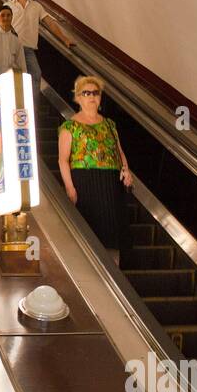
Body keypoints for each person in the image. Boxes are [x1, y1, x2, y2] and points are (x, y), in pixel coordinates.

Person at [58, 76, 133, 263]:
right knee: (91, 233)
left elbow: (119, 151)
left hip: (111, 184)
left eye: (95, 93)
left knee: (113, 234)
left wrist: (126, 170)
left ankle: (114, 276)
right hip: (85, 183)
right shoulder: (70, 126)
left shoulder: (109, 124)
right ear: (78, 98)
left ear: (100, 97)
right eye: (86, 93)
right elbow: (63, 160)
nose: (91, 96)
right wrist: (70, 187)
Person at [6, 0, 74, 99]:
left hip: (28, 49)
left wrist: (64, 39)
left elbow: (50, 23)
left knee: (35, 75)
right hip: (12, 48)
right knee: (14, 78)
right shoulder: (8, 6)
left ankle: (33, 109)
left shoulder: (36, 6)